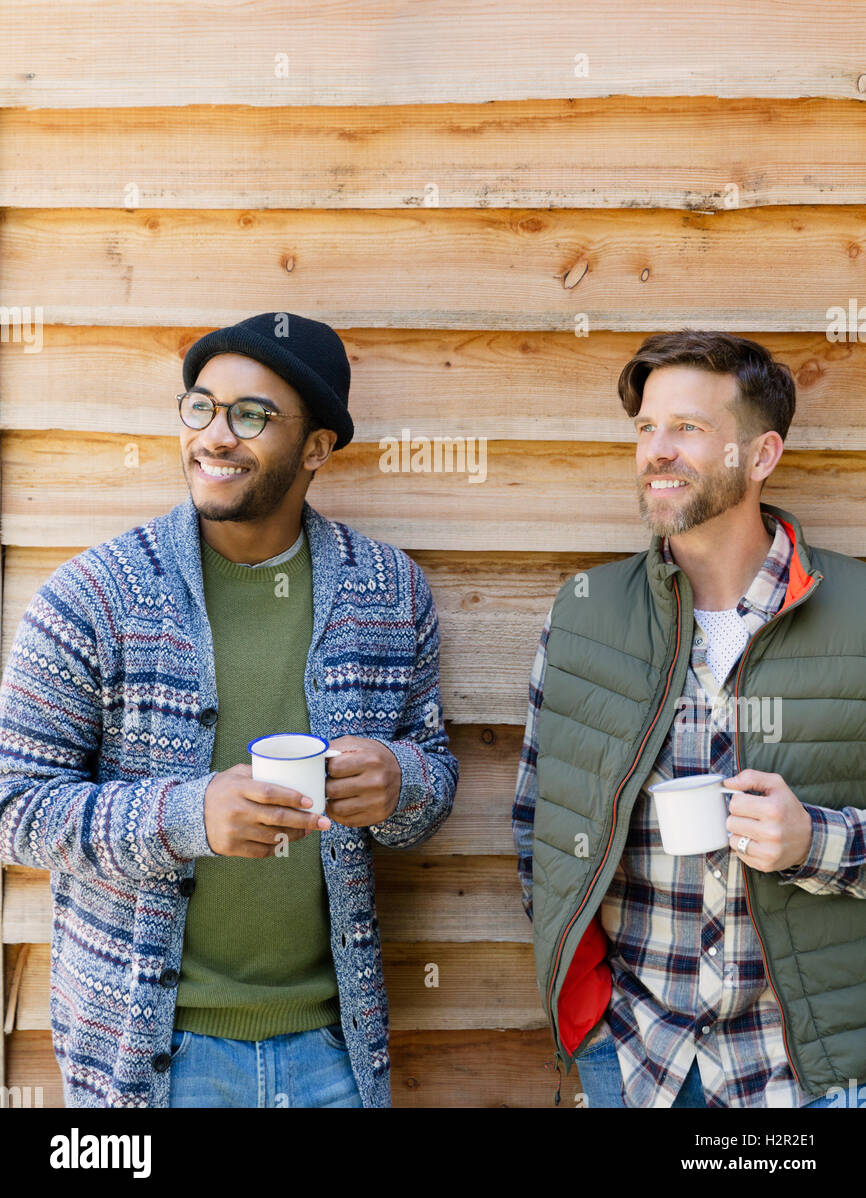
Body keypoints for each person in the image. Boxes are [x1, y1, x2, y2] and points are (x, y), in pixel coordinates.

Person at [0, 310, 457, 1108]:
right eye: (201, 406)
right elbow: (15, 808)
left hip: (334, 1051)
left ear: (316, 449)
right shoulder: (94, 596)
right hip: (151, 1059)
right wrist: (186, 815)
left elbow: (431, 777)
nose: (215, 434)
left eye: (252, 416)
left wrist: (402, 781)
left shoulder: (389, 592)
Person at [513, 330, 866, 1109]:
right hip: (637, 1061)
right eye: (646, 428)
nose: (656, 451)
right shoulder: (583, 617)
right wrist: (593, 1014)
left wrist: (816, 842)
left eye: (689, 429)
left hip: (812, 1073)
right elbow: (539, 827)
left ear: (762, 456)